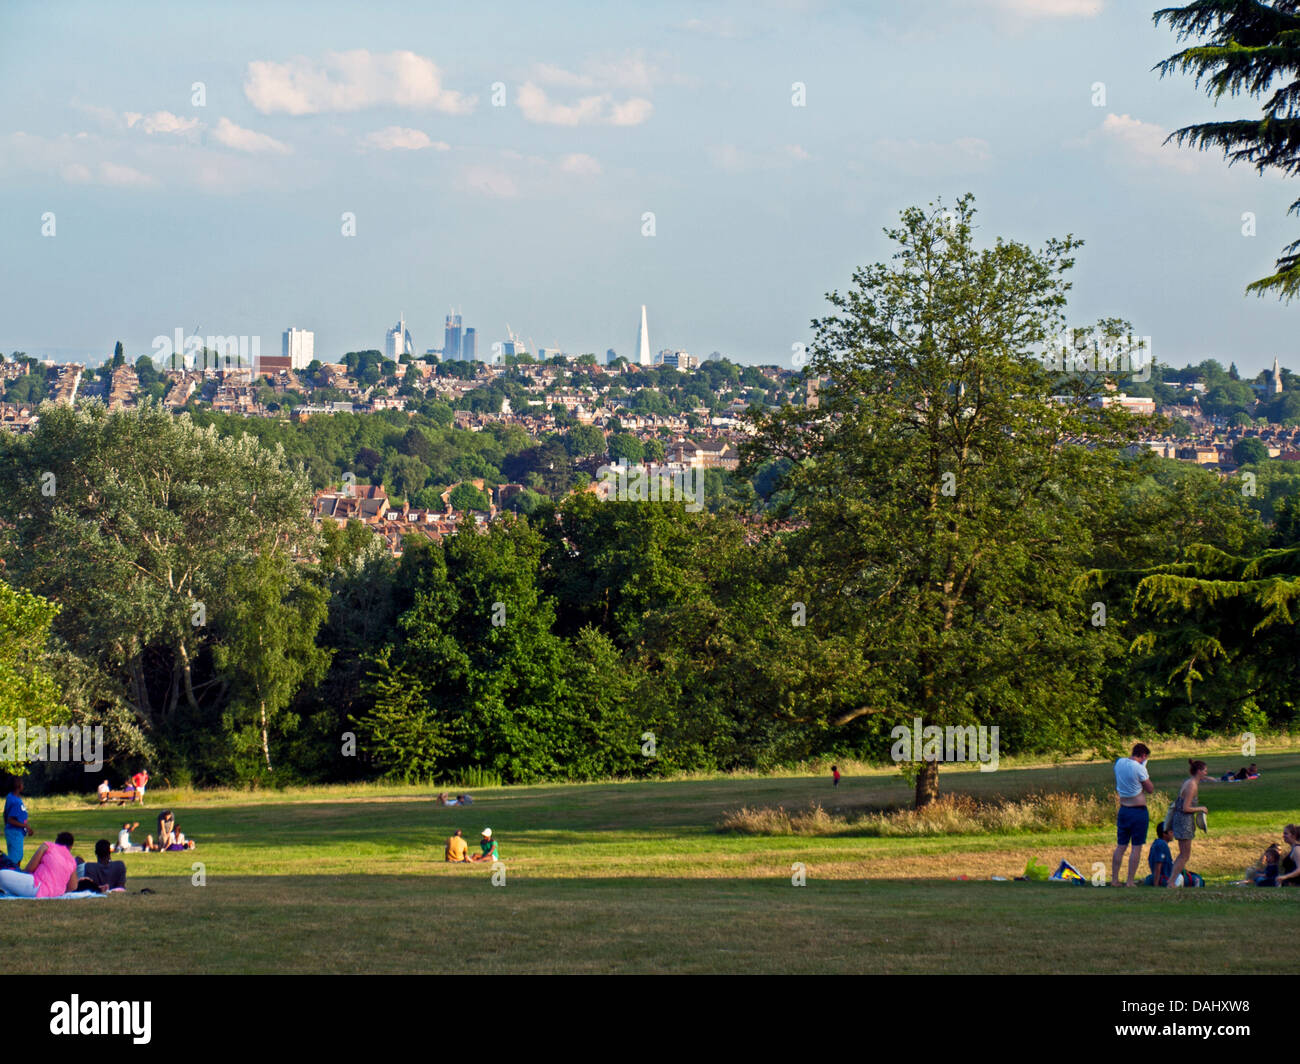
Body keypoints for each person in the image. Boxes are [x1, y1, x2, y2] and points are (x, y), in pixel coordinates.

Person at [1112, 743, 1155, 886]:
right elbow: (1150, 789)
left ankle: (1115, 879)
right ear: (1143, 755)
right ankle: (1130, 881)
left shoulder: (1119, 763)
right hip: (1138, 811)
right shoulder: (1139, 768)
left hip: (1123, 809)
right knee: (1136, 847)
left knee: (1121, 846)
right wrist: (1144, 768)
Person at [1166, 759, 1209, 888]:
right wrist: (1201, 808)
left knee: (1183, 854)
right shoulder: (1192, 785)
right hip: (1183, 822)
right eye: (1205, 770)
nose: (1206, 772)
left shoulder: (1190, 781)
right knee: (1184, 855)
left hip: (1182, 821)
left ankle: (1171, 881)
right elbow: (1186, 808)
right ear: (1199, 771)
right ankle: (1171, 882)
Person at [0, 831, 79, 898]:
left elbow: (30, 868)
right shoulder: (72, 861)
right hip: (57, 893)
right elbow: (73, 887)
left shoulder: (48, 846)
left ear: (56, 841)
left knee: (2, 874)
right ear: (71, 846)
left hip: (39, 887)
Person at [4, 777, 33, 865]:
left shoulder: (10, 797)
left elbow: (5, 814)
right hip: (15, 833)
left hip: (14, 832)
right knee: (15, 859)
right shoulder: (16, 802)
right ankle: (12, 876)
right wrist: (26, 826)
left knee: (17, 856)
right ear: (19, 786)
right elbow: (11, 819)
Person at [1144, 822, 1175, 886]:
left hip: (1163, 876)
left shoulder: (1157, 843)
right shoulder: (1161, 844)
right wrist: (1156, 883)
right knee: (1196, 879)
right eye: (1171, 832)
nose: (1173, 834)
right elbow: (1158, 864)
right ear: (1164, 834)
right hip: (1164, 878)